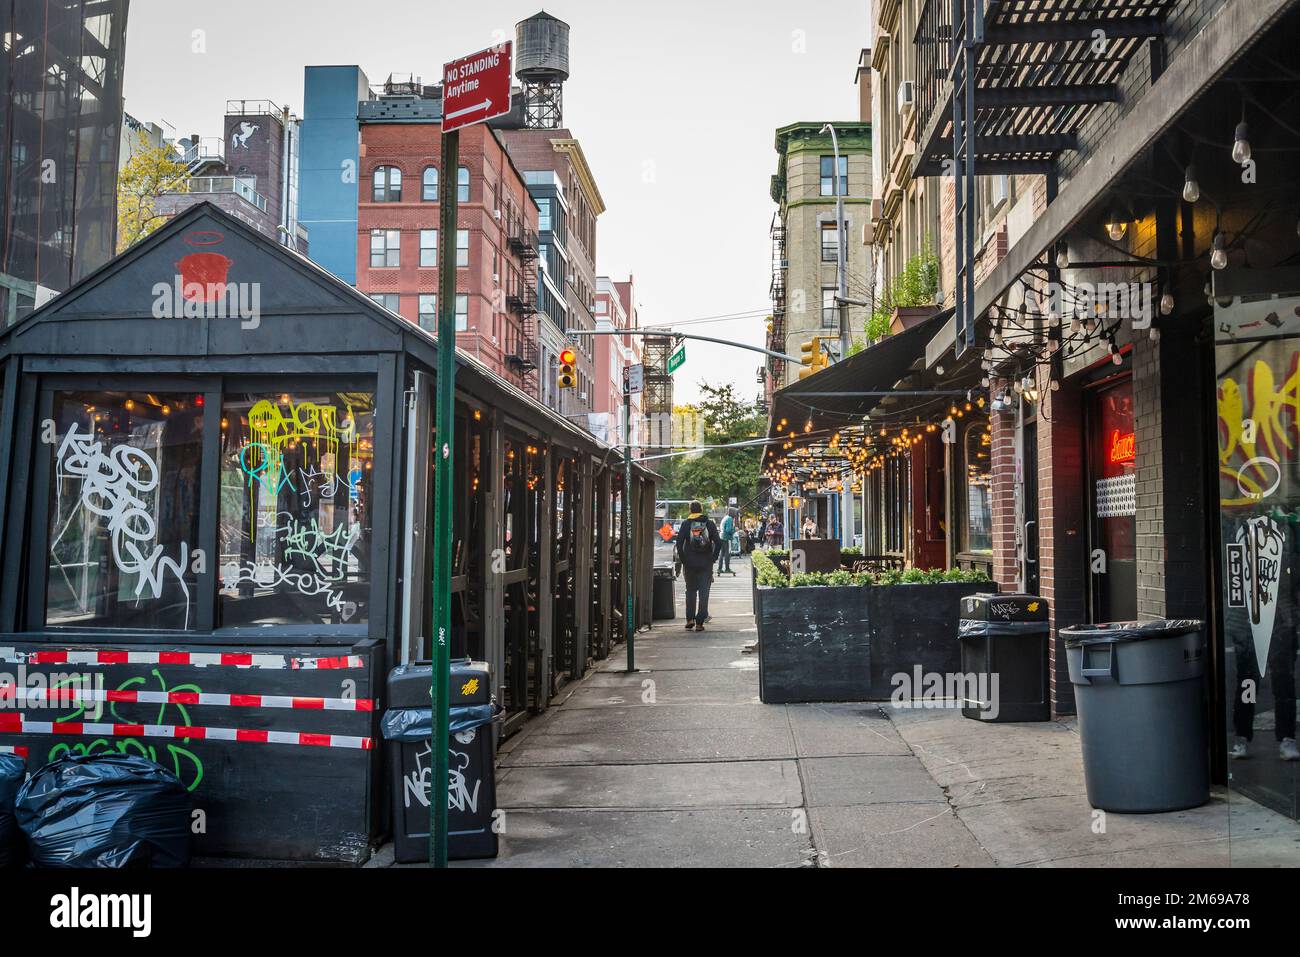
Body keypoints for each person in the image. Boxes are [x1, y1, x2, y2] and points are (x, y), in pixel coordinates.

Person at [675, 500, 721, 631]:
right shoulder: (709, 523)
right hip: (706, 563)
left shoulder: (686, 524)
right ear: (701, 509)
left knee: (690, 591)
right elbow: (718, 542)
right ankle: (700, 623)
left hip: (690, 563)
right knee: (704, 593)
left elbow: (678, 544)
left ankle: (690, 619)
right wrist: (713, 558)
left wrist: (684, 560)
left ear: (690, 510)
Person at [717, 507, 737, 575]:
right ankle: (727, 568)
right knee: (727, 553)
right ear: (732, 513)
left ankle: (719, 569)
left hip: (721, 537)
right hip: (726, 538)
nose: (735, 514)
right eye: (735, 512)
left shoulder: (725, 517)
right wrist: (734, 530)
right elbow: (728, 530)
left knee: (722, 553)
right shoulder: (730, 519)